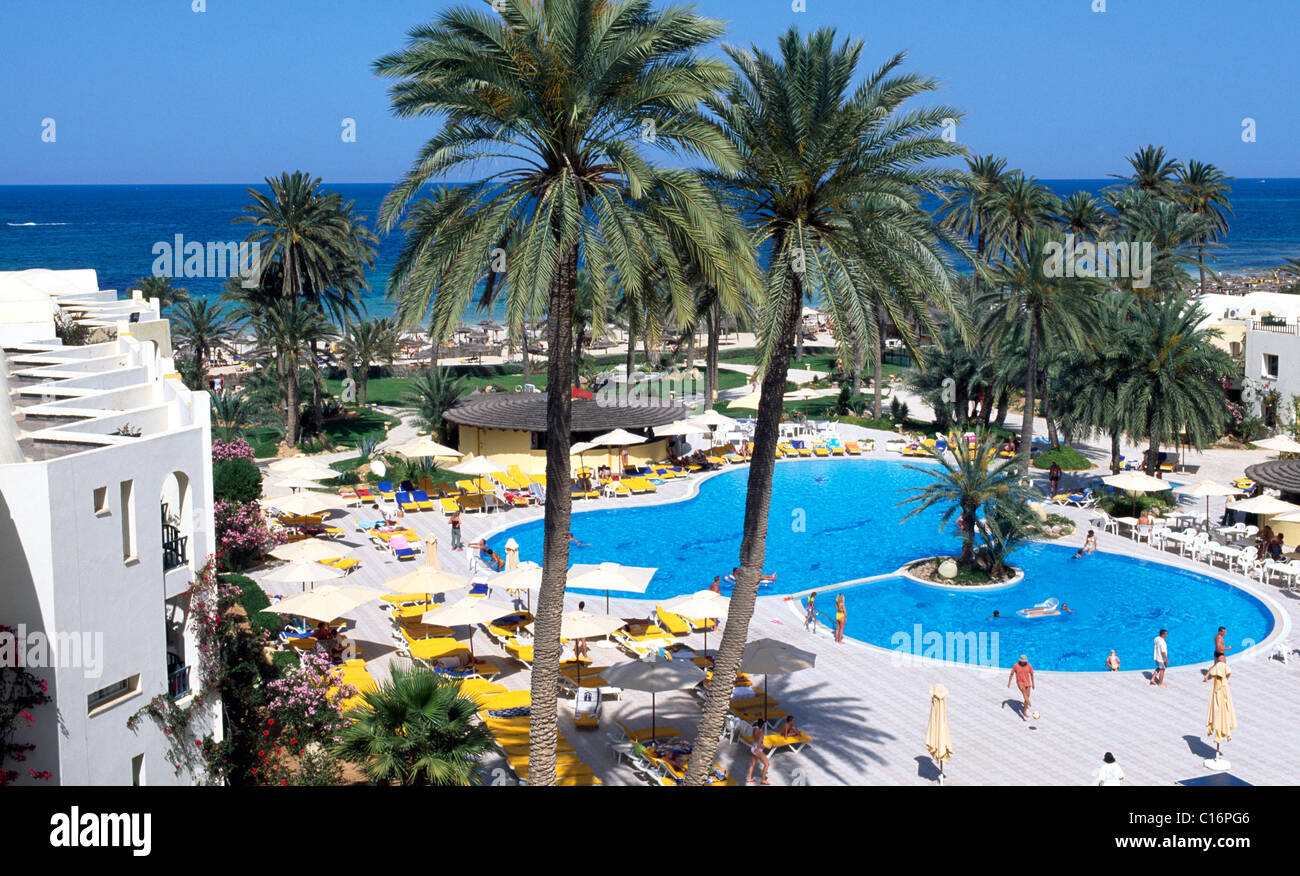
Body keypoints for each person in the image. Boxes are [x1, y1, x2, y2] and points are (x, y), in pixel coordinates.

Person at [1007, 654, 1035, 718]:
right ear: (1020, 660)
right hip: (1020, 682)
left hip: (1027, 683)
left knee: (1027, 697)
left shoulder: (1029, 665)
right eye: (1023, 661)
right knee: (1024, 693)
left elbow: (1032, 675)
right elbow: (1011, 674)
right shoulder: (1016, 665)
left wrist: (1033, 683)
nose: (1024, 662)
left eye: (1025, 661)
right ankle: (1028, 702)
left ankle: (1024, 711)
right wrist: (1009, 682)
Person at [745, 719, 771, 785]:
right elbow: (759, 745)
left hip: (753, 748)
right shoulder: (761, 734)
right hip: (757, 750)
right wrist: (767, 747)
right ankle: (763, 780)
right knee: (767, 764)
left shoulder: (755, 729)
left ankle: (749, 778)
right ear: (763, 725)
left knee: (753, 764)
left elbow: (755, 739)